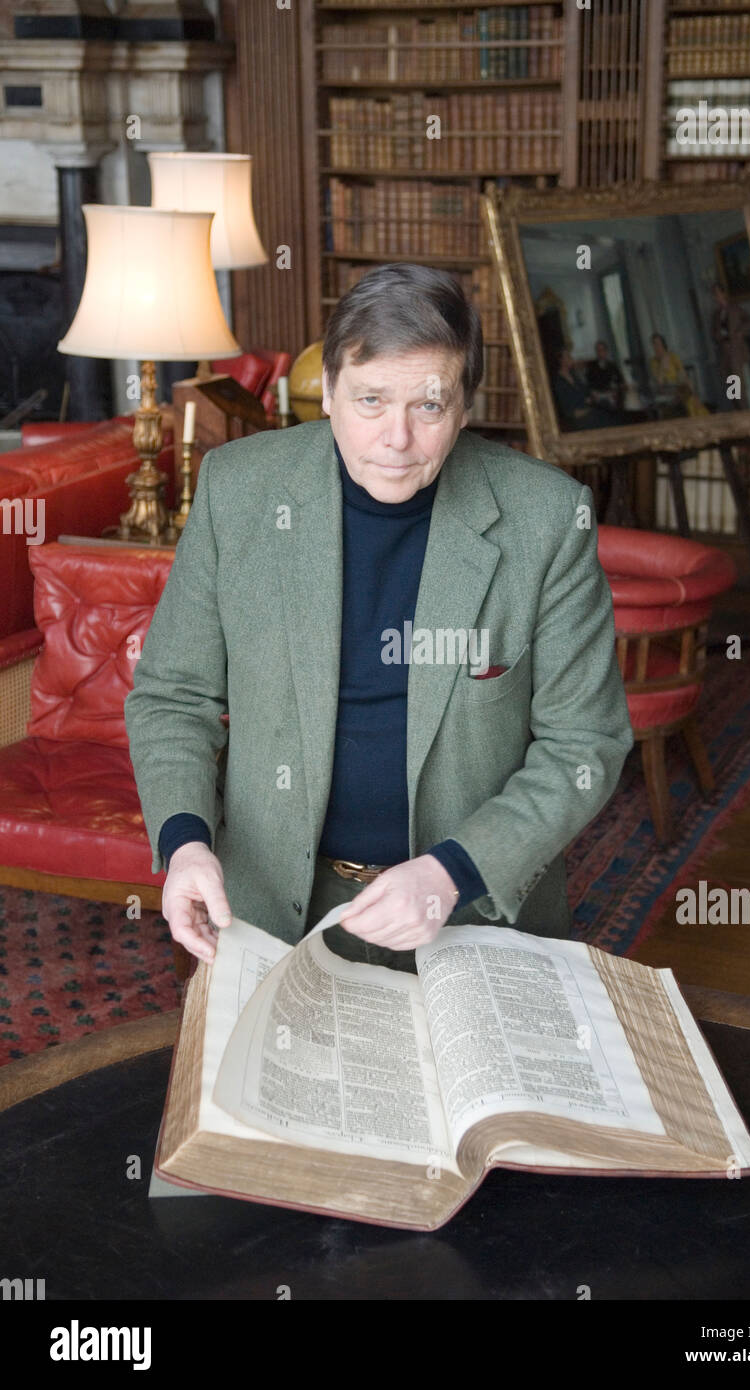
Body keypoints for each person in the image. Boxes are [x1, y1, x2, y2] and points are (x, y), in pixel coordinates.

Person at [125, 264, 634, 975]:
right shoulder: (237, 492)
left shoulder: (547, 520)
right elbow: (172, 697)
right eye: (370, 400)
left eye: (428, 406)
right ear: (327, 391)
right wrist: (184, 843)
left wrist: (452, 871)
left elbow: (585, 742)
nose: (396, 437)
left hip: (468, 910)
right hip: (268, 909)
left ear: (463, 408)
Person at [549, 347, 615, 431]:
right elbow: (569, 409)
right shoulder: (559, 381)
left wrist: (596, 395)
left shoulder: (573, 375)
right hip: (577, 417)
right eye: (568, 357)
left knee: (608, 408)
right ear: (561, 360)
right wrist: (586, 401)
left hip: (588, 410)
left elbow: (586, 390)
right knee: (603, 418)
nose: (572, 359)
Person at [710, 283, 750, 408]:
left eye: (718, 294)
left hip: (736, 351)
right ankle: (738, 410)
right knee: (731, 386)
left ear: (723, 294)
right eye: (714, 295)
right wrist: (718, 337)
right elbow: (713, 332)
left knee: (738, 384)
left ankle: (745, 411)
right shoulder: (716, 314)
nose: (716, 297)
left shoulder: (735, 309)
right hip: (724, 352)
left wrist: (739, 333)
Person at [649, 332, 708, 418]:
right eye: (654, 344)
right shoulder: (653, 362)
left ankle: (696, 416)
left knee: (689, 397)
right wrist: (662, 365)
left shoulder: (673, 357)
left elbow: (683, 375)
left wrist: (694, 393)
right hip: (666, 390)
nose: (657, 347)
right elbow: (659, 382)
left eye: (658, 344)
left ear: (663, 344)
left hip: (679, 387)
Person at [585, 340, 625, 413]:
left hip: (611, 393)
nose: (600, 352)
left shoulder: (612, 365)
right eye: (598, 350)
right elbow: (588, 382)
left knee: (615, 403)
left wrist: (616, 390)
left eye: (602, 350)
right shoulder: (591, 366)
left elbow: (620, 381)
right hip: (598, 394)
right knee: (602, 404)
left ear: (606, 351)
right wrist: (593, 392)